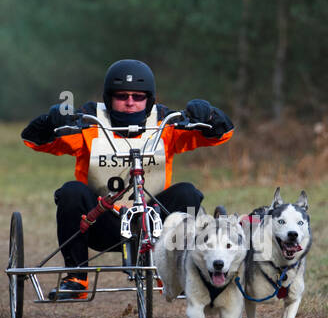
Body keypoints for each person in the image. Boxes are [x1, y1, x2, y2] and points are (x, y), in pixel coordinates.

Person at [21, 58, 234, 300]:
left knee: (188, 194)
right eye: (122, 96)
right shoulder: (89, 121)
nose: (130, 102)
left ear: (149, 99)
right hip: (100, 222)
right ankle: (76, 277)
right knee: (71, 192)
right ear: (109, 98)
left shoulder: (165, 122)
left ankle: (177, 274)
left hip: (156, 223)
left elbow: (222, 134)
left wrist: (209, 114)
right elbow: (33, 141)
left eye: (138, 96)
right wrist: (50, 121)